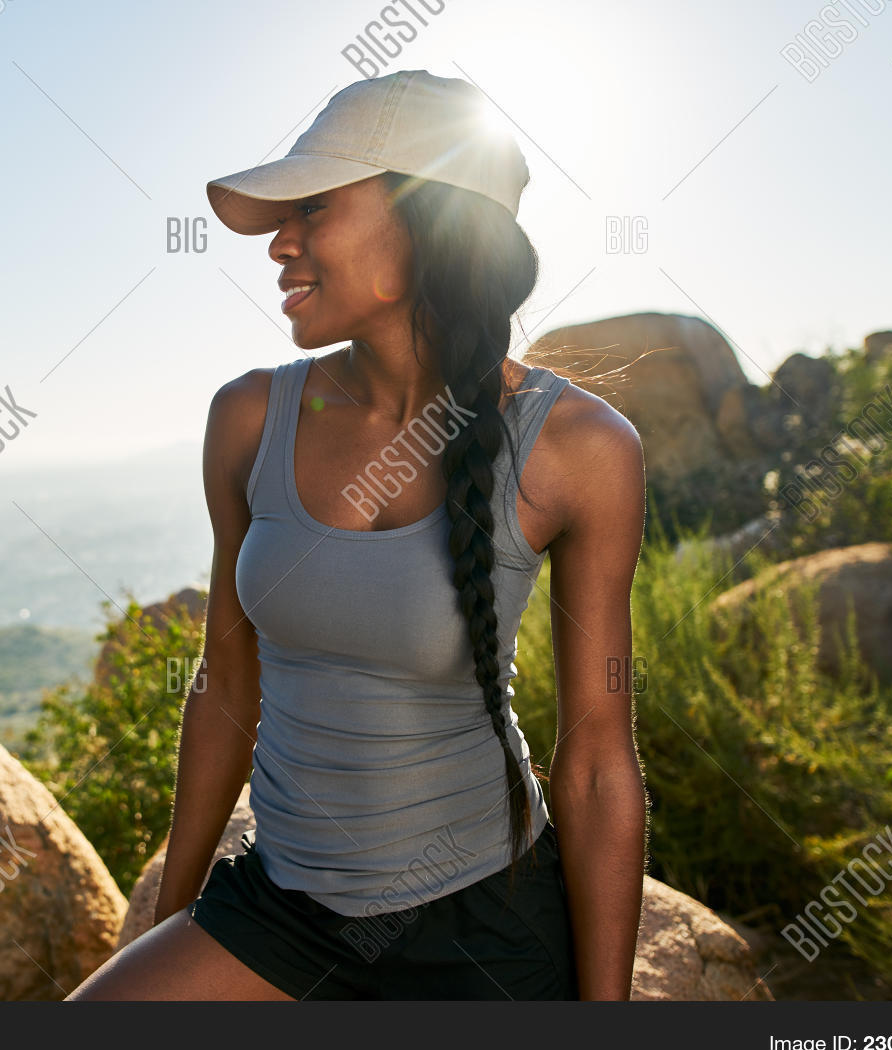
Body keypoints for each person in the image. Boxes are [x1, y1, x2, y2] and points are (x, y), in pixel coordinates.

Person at [67, 69, 646, 1000]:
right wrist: (174, 917)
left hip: (486, 925)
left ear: (429, 221)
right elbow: (225, 682)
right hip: (278, 910)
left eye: (315, 208)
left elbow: (595, 758)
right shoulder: (250, 418)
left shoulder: (579, 449)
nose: (279, 246)